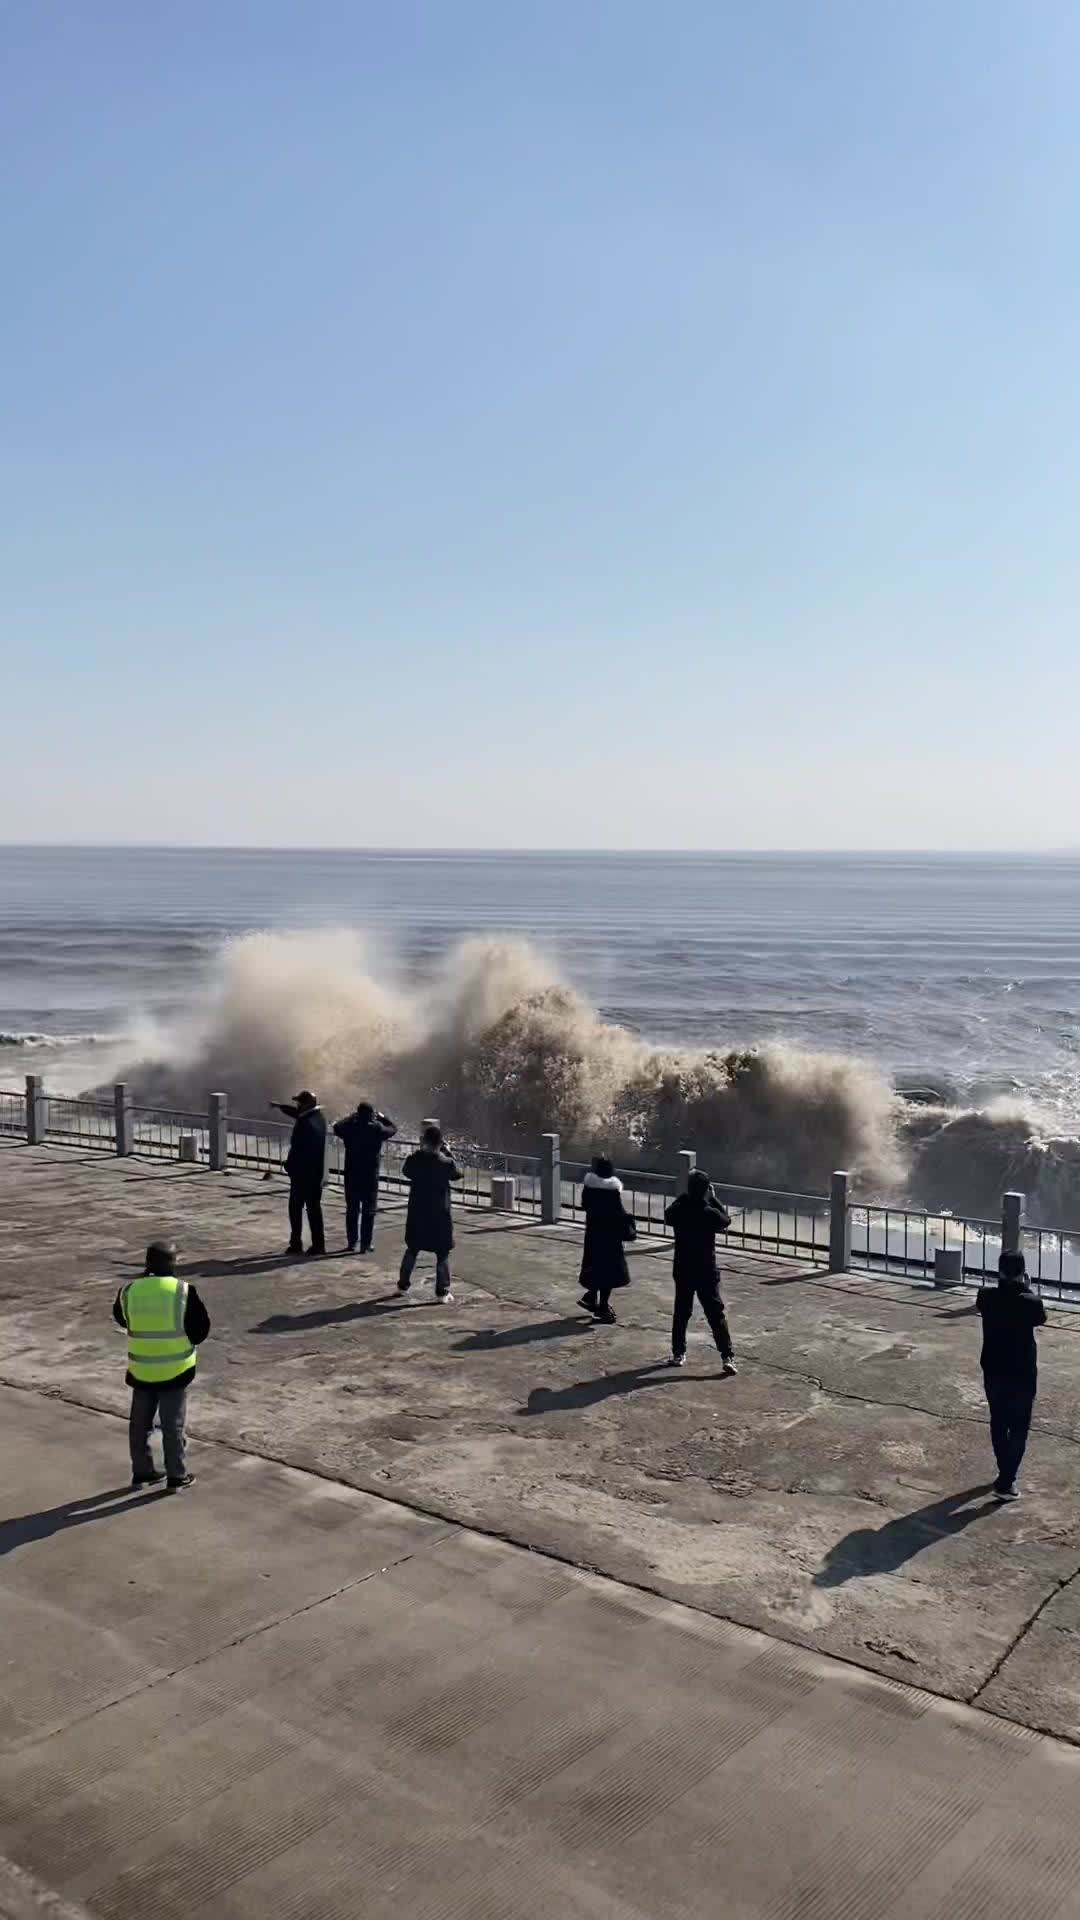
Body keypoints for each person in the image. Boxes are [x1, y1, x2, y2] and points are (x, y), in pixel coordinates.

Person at [113, 1239, 210, 1492]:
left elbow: (121, 1319)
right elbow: (200, 1331)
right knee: (172, 1426)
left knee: (139, 1425)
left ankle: (142, 1473)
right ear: (173, 1263)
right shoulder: (183, 1291)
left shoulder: (129, 1290)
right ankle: (176, 1476)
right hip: (175, 1371)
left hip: (141, 1370)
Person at [977, 1252, 1047, 1500]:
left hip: (994, 1369)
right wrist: (1025, 1288)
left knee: (998, 1420)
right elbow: (1040, 1318)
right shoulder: (1032, 1303)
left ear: (1000, 1271)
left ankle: (1004, 1472)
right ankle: (1007, 1480)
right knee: (1019, 1426)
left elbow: (991, 1302)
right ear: (1023, 1272)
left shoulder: (985, 1297)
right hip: (1022, 1373)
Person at [663, 1170, 737, 1372]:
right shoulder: (708, 1212)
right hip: (706, 1270)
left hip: (683, 1268)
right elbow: (726, 1220)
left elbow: (668, 1214)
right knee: (715, 1314)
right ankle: (727, 1357)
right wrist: (713, 1198)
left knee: (681, 1313)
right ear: (706, 1190)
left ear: (688, 1189)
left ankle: (678, 1353)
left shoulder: (679, 1210)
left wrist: (686, 1196)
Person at [399, 1124, 462, 1301]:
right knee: (442, 1253)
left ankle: (402, 1285)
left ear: (424, 1141)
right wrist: (448, 1153)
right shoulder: (445, 1162)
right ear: (440, 1142)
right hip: (439, 1215)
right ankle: (441, 1292)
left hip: (417, 1213)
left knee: (412, 1249)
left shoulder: (414, 1159)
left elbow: (406, 1172)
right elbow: (457, 1174)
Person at [333, 1101, 398, 1252]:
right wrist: (383, 1118)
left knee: (352, 1210)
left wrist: (350, 1117)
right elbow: (393, 1129)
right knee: (369, 1211)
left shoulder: (350, 1128)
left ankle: (351, 1243)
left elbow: (336, 1127)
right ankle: (365, 1244)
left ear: (358, 1113)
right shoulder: (376, 1129)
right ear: (371, 1115)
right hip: (369, 1176)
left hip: (351, 1175)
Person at [579, 1155, 636, 1324]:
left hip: (592, 1234)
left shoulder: (589, 1187)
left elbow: (584, 1205)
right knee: (609, 1273)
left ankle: (590, 1297)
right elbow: (618, 1214)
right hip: (609, 1238)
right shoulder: (612, 1191)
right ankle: (602, 1308)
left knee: (594, 1266)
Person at [272, 1091, 328, 1256]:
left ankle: (296, 1243)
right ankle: (319, 1245)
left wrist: (289, 1166)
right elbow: (297, 1114)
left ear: (305, 1105)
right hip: (315, 1173)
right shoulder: (318, 1118)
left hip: (302, 1175)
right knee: (314, 1210)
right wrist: (280, 1107)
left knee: (295, 1209)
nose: (297, 1105)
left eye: (299, 1103)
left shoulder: (305, 1124)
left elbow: (299, 1151)